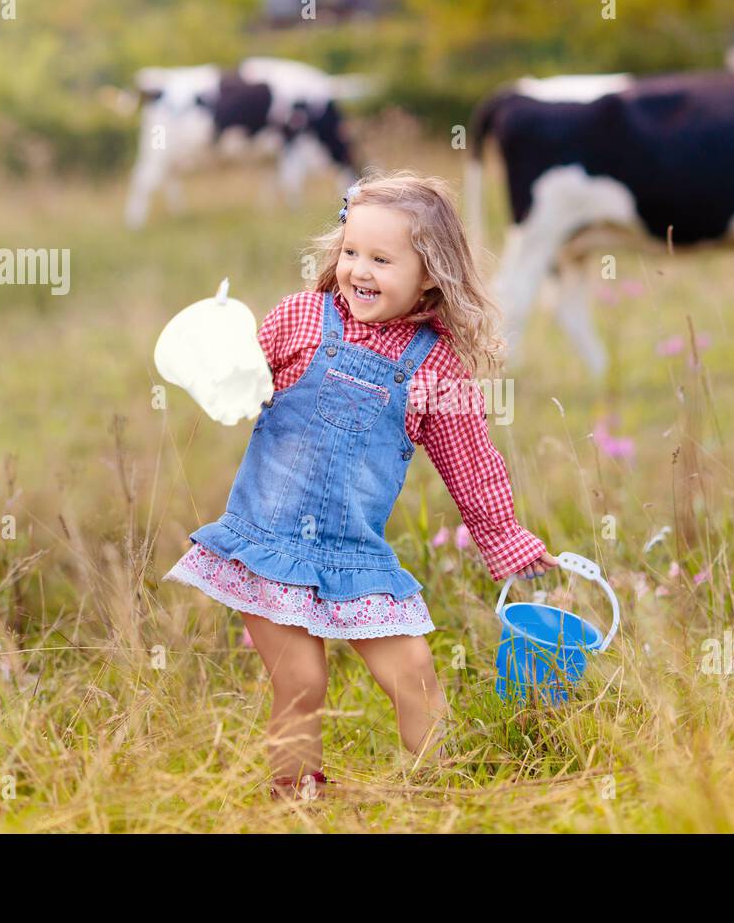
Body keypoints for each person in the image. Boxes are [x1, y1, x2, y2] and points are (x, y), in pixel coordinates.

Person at [163, 170, 558, 801]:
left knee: (415, 670)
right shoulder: (298, 319)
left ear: (430, 272)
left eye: (380, 258)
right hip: (267, 544)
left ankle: (442, 790)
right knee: (300, 679)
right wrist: (216, 363)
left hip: (354, 556)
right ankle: (297, 798)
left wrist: (503, 536)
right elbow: (237, 373)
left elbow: (471, 461)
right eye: (350, 252)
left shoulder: (434, 364)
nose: (358, 270)